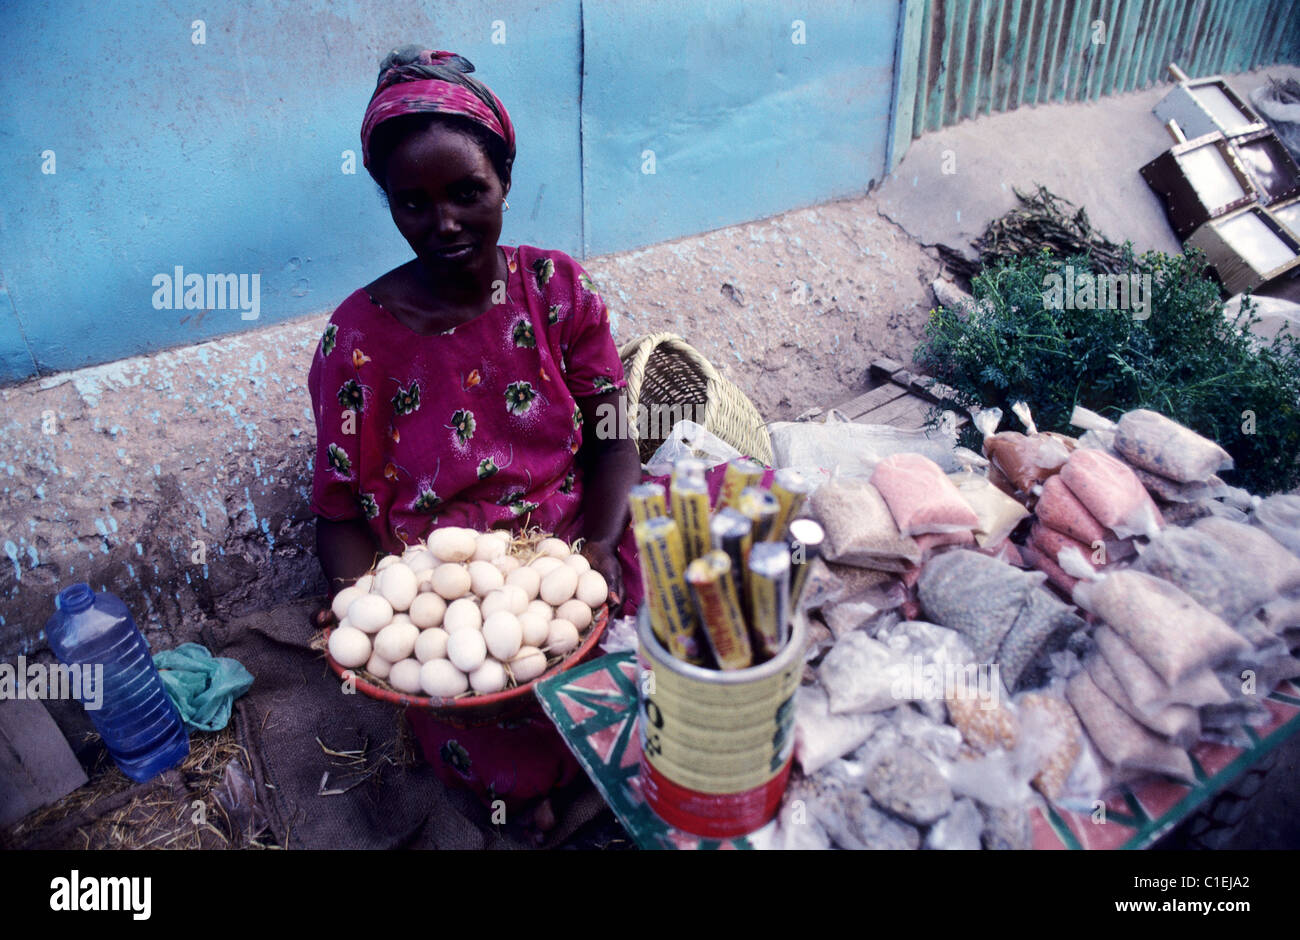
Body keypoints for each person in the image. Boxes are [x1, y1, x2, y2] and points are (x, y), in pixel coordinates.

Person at [307, 46, 642, 830]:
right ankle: (545, 795)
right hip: (445, 583)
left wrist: (598, 543)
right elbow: (338, 510)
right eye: (412, 203)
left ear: (505, 181)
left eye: (468, 192)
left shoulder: (556, 291)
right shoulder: (355, 342)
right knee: (473, 689)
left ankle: (598, 773)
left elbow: (615, 441)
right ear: (388, 203)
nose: (444, 222)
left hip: (568, 545)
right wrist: (364, 609)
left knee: (679, 613)